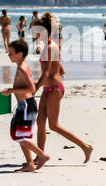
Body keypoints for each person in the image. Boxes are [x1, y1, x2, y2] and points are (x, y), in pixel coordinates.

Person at [34, 13, 94, 162]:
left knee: (53, 125)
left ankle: (86, 147)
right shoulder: (50, 45)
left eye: (37, 31)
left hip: (54, 90)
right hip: (48, 88)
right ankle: (40, 156)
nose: (35, 34)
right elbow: (59, 69)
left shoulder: (50, 47)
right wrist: (57, 72)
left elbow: (47, 72)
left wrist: (33, 88)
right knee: (40, 122)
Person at [0, 38, 46, 172]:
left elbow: (31, 89)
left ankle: (42, 156)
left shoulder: (22, 69)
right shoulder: (23, 66)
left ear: (20, 54)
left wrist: (11, 91)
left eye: (11, 53)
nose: (9, 55)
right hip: (24, 105)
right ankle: (30, 164)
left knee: (19, 136)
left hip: (26, 105)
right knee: (21, 135)